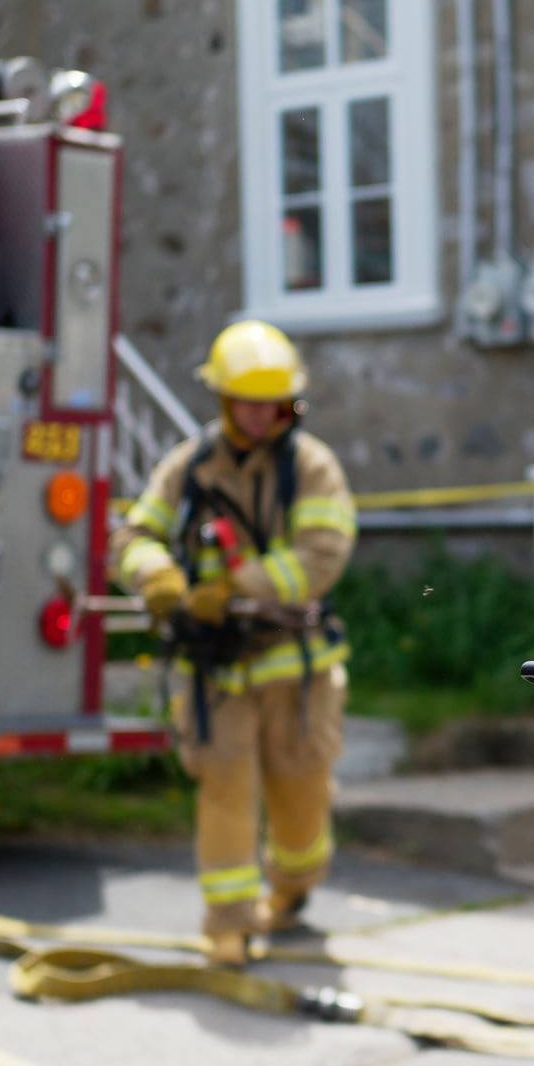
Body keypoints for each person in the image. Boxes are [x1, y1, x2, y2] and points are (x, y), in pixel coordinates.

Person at [108, 319, 356, 966]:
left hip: (296, 670)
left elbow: (320, 558)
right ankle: (228, 922)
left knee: (301, 799)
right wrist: (157, 575)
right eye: (245, 400)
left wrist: (237, 585)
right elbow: (132, 537)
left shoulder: (311, 468)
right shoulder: (189, 468)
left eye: (268, 402)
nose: (257, 414)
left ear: (288, 402)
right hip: (214, 670)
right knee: (222, 788)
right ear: (222, 399)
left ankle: (295, 887)